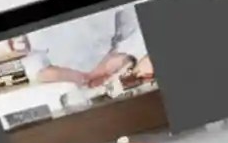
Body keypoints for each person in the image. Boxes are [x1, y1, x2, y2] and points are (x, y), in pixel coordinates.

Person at [21, 6, 154, 87]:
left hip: (112, 74)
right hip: (66, 85)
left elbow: (134, 24)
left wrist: (124, 58)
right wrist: (74, 76)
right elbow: (31, 64)